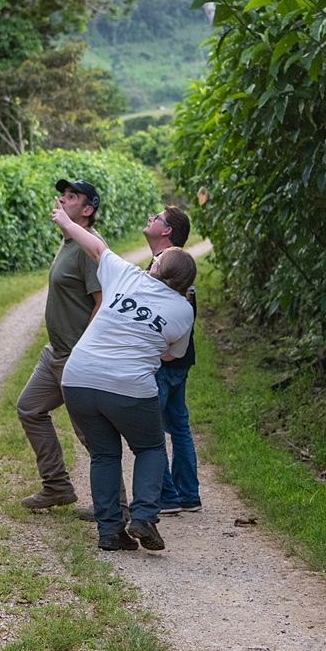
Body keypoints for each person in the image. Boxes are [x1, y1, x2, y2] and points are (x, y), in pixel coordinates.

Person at [52, 202, 197, 552]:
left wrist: (65, 221)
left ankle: (110, 533)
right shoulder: (183, 309)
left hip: (79, 378)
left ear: (157, 266)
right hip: (130, 387)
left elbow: (95, 245)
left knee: (104, 455)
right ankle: (144, 517)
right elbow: (170, 355)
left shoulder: (126, 275)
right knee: (149, 447)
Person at [17, 179, 104, 511]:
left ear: (86, 210)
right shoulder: (68, 243)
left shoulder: (89, 246)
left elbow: (102, 301)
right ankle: (56, 486)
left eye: (72, 197)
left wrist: (85, 350)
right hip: (55, 353)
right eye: (62, 195)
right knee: (30, 408)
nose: (62, 200)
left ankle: (118, 506)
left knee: (91, 435)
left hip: (75, 357)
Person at [143, 206, 203, 515]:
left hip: (164, 363)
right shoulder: (178, 264)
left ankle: (167, 495)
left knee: (152, 429)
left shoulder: (166, 267)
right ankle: (188, 493)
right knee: (179, 425)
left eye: (157, 218)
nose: (151, 219)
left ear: (167, 231)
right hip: (179, 359)